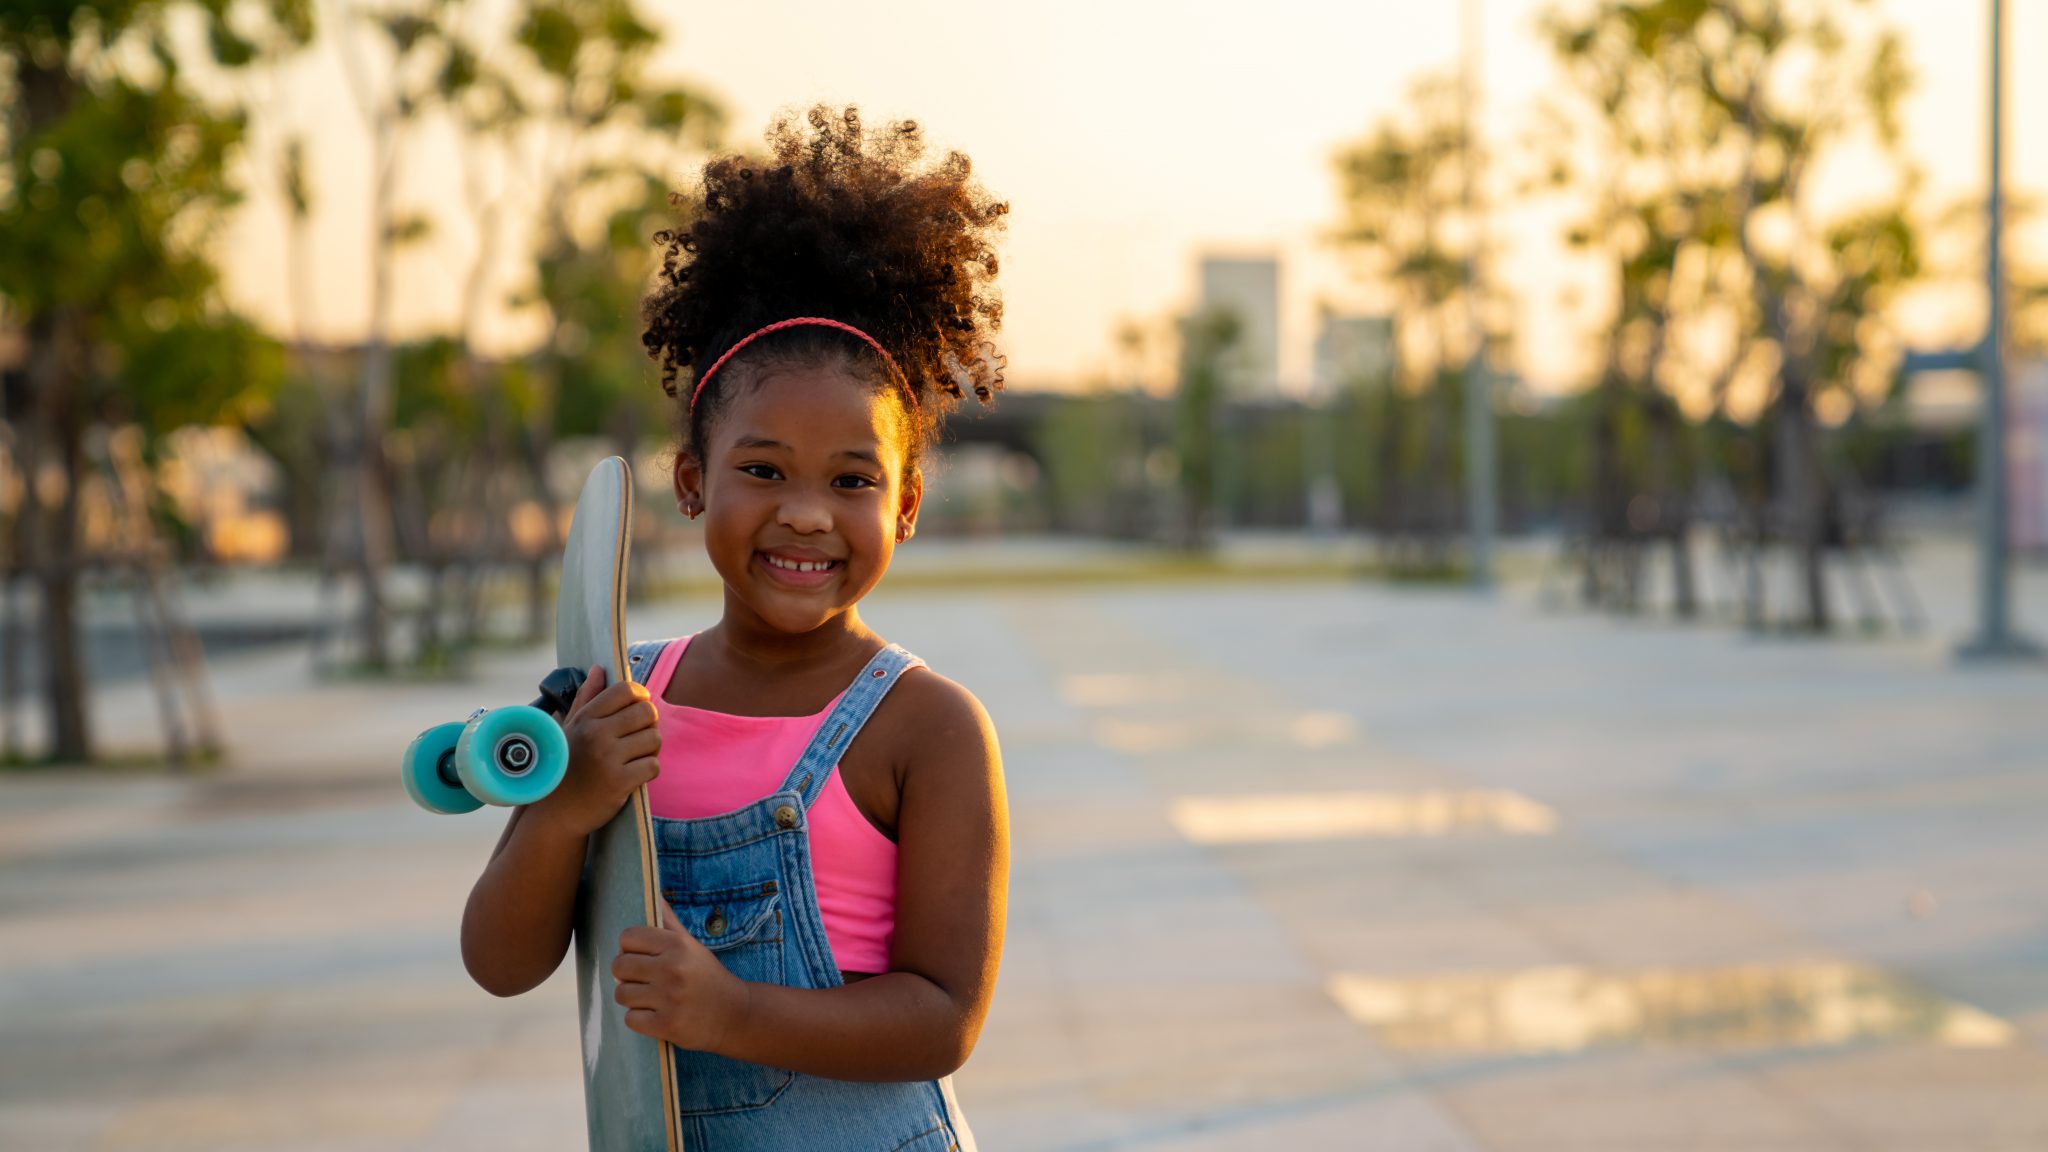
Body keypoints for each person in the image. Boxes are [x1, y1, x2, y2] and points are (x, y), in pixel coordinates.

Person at [460, 105, 1011, 1151]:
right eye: (761, 471)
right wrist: (564, 808)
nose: (806, 512)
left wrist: (730, 1014)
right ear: (689, 482)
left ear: (904, 505)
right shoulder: (612, 699)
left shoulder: (925, 727)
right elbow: (499, 961)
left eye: (852, 480)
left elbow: (944, 1016)